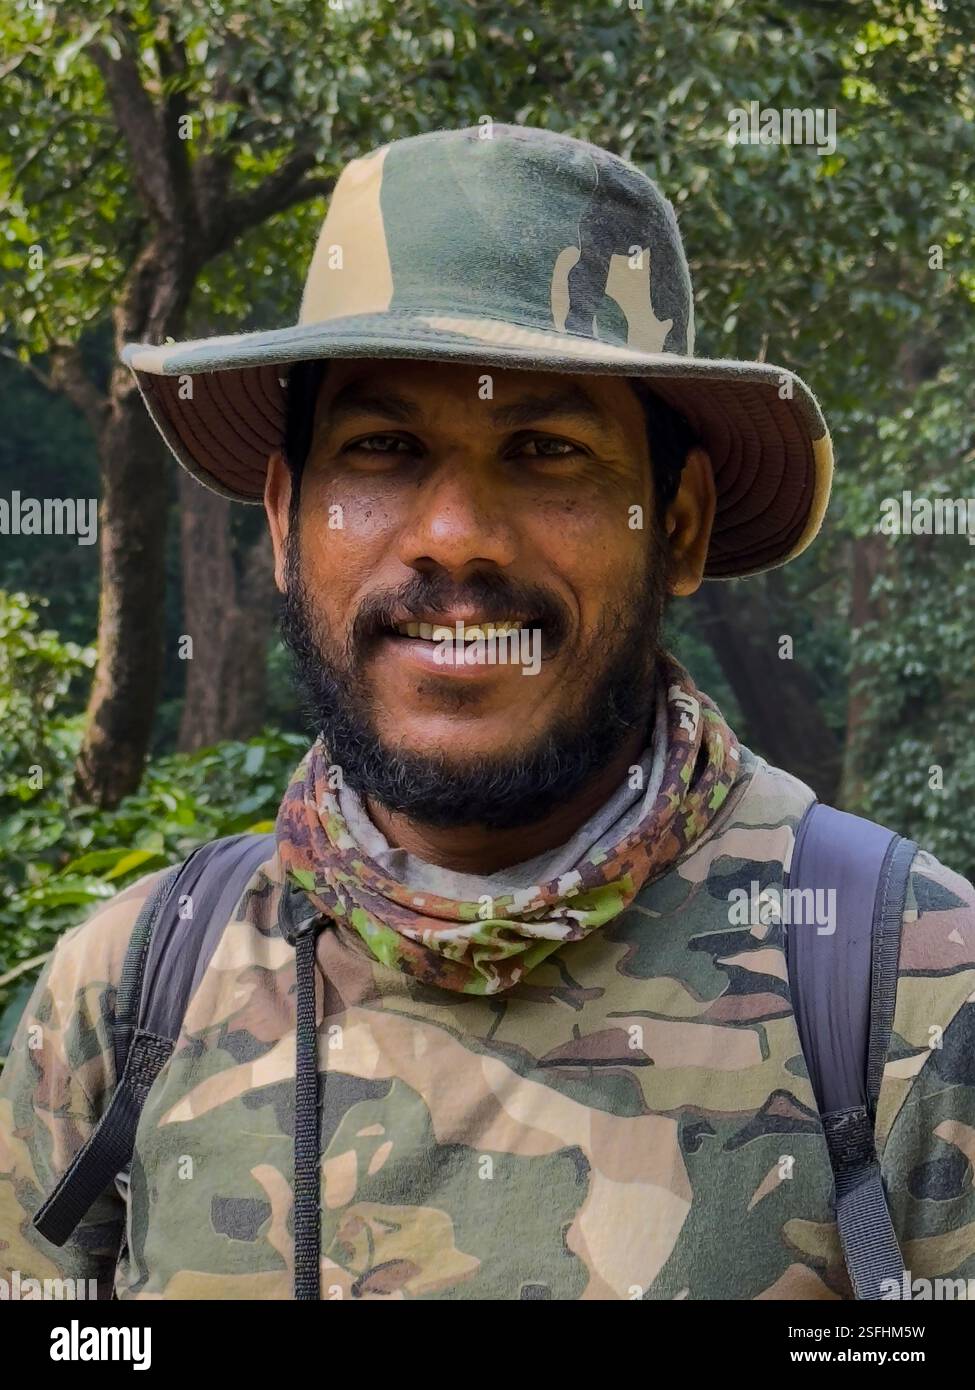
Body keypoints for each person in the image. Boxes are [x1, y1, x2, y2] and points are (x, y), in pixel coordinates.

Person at [2, 124, 972, 1301]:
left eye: (547, 448)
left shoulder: (914, 997)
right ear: (282, 518)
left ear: (676, 526)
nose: (454, 532)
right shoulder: (124, 1001)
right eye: (384, 445)